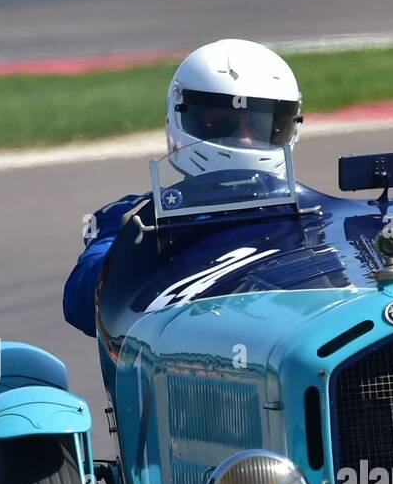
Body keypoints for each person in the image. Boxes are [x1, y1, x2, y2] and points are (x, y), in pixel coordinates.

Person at [62, 38, 304, 336]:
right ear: (180, 115)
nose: (243, 139)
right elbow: (82, 301)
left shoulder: (308, 212)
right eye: (224, 124)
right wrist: (142, 250)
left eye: (259, 126)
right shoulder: (135, 218)